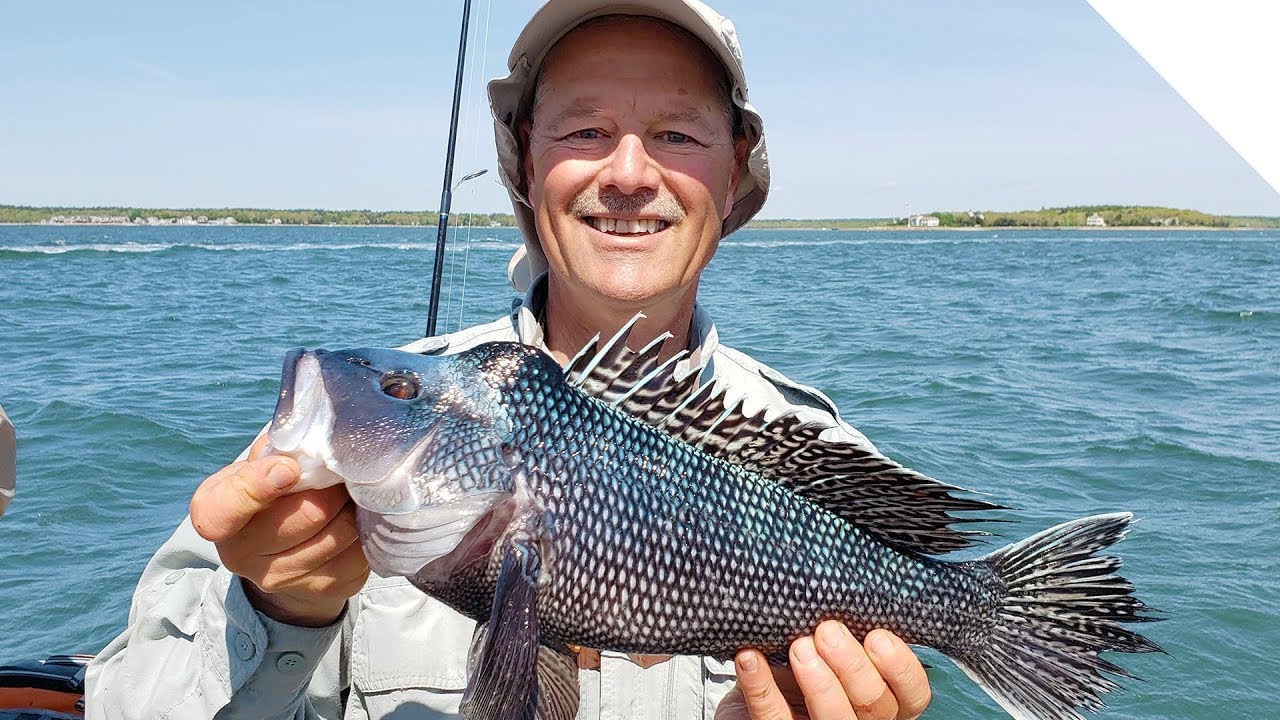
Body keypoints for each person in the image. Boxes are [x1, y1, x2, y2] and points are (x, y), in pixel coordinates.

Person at [86, 2, 933, 718]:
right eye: (584, 129)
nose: (630, 173)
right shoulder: (348, 441)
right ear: (525, 159)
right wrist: (279, 610)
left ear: (735, 162)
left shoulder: (819, 450)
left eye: (675, 132)